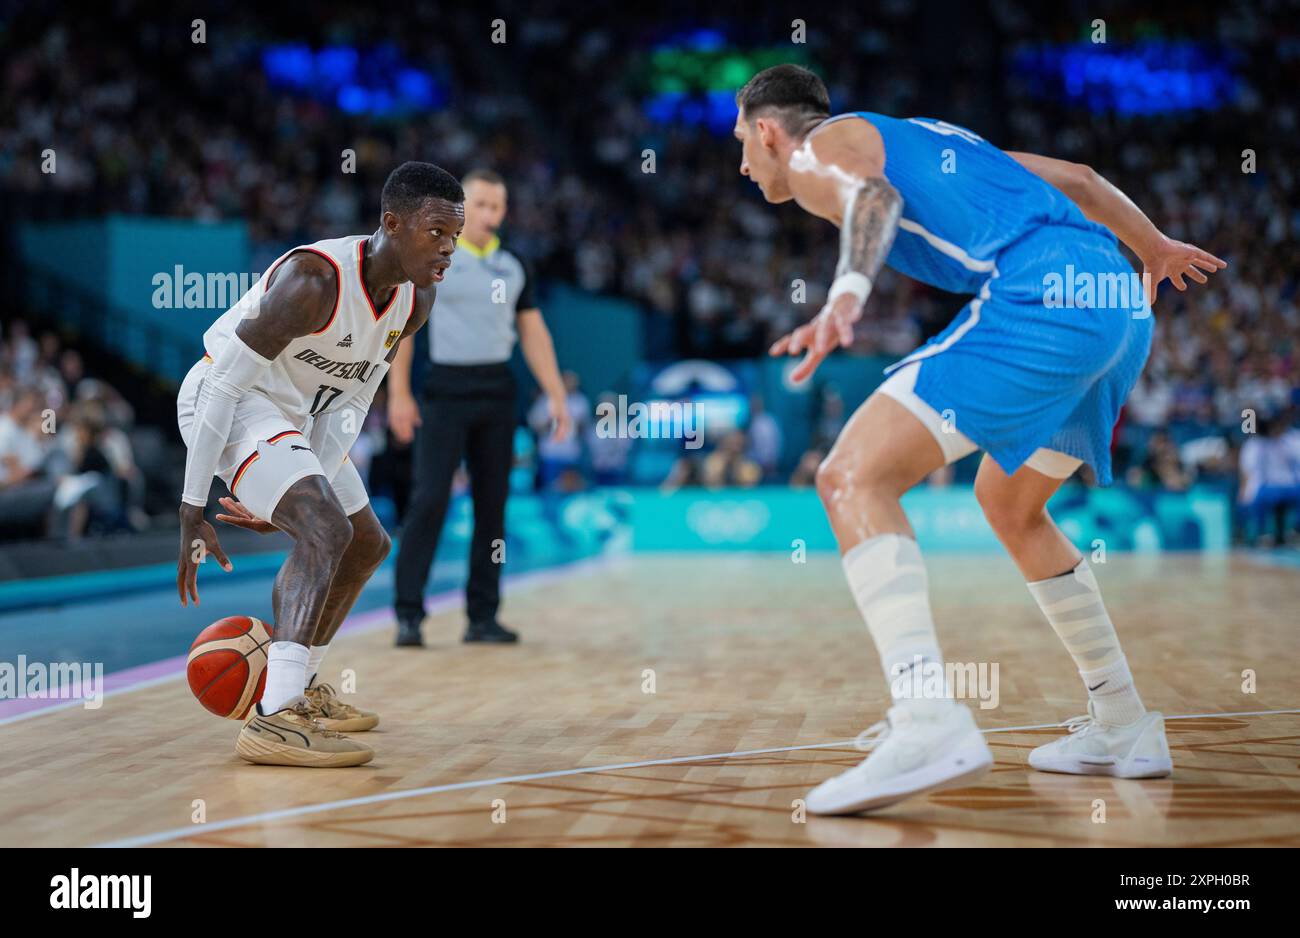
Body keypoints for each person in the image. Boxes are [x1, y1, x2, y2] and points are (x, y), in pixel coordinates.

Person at [734, 64, 1226, 814]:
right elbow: (1083, 181)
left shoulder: (816, 152)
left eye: (742, 141)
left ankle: (927, 718)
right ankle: (1125, 725)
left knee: (849, 477)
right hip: (1118, 301)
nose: (743, 162)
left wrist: (845, 296)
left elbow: (875, 200)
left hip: (1044, 296)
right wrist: (1153, 246)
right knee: (1011, 506)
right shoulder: (930, 138)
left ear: (768, 129)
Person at [175, 161, 464, 767]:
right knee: (326, 527)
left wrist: (302, 494)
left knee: (363, 542)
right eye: (436, 232)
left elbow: (352, 402)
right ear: (392, 222)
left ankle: (300, 689)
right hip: (225, 402)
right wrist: (193, 505)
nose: (447, 249)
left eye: (454, 237)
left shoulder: (414, 302)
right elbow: (224, 389)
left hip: (296, 415)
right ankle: (274, 717)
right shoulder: (313, 279)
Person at [388, 169, 570, 647]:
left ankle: (482, 616)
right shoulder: (435, 262)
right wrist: (399, 394)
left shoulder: (513, 266)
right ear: (463, 210)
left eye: (498, 206)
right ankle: (409, 613)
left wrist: (555, 393)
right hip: (445, 389)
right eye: (481, 205)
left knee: (494, 509)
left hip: (497, 390)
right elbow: (405, 328)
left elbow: (533, 332)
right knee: (429, 501)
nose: (491, 214)